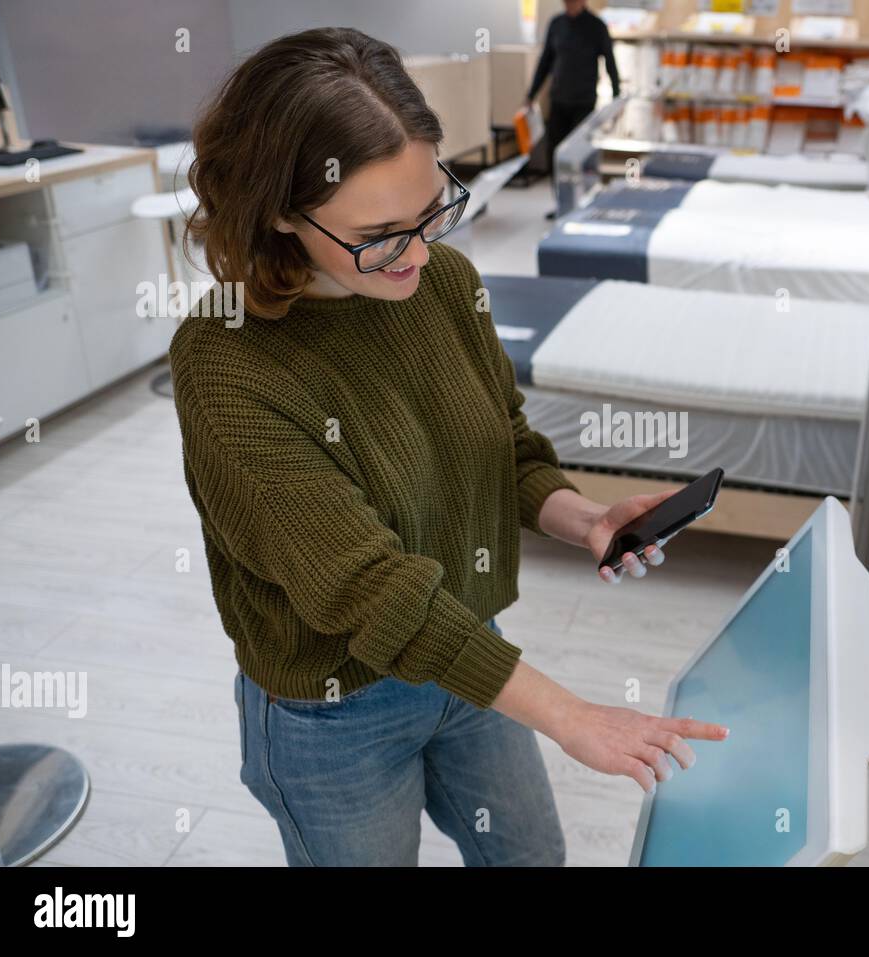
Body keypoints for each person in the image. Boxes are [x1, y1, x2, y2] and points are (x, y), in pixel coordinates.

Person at [172, 27, 726, 867]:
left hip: (468, 656)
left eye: (433, 208)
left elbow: (502, 445)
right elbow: (372, 592)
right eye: (381, 232)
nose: (421, 252)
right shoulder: (227, 360)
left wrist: (587, 519)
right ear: (280, 210)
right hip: (333, 710)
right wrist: (573, 715)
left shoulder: (443, 284)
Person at [523, 0, 621, 218]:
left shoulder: (596, 26)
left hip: (584, 102)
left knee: (578, 155)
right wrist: (531, 95)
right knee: (555, 153)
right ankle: (562, 204)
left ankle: (583, 203)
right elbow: (545, 61)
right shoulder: (556, 24)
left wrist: (616, 97)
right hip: (559, 100)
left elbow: (610, 62)